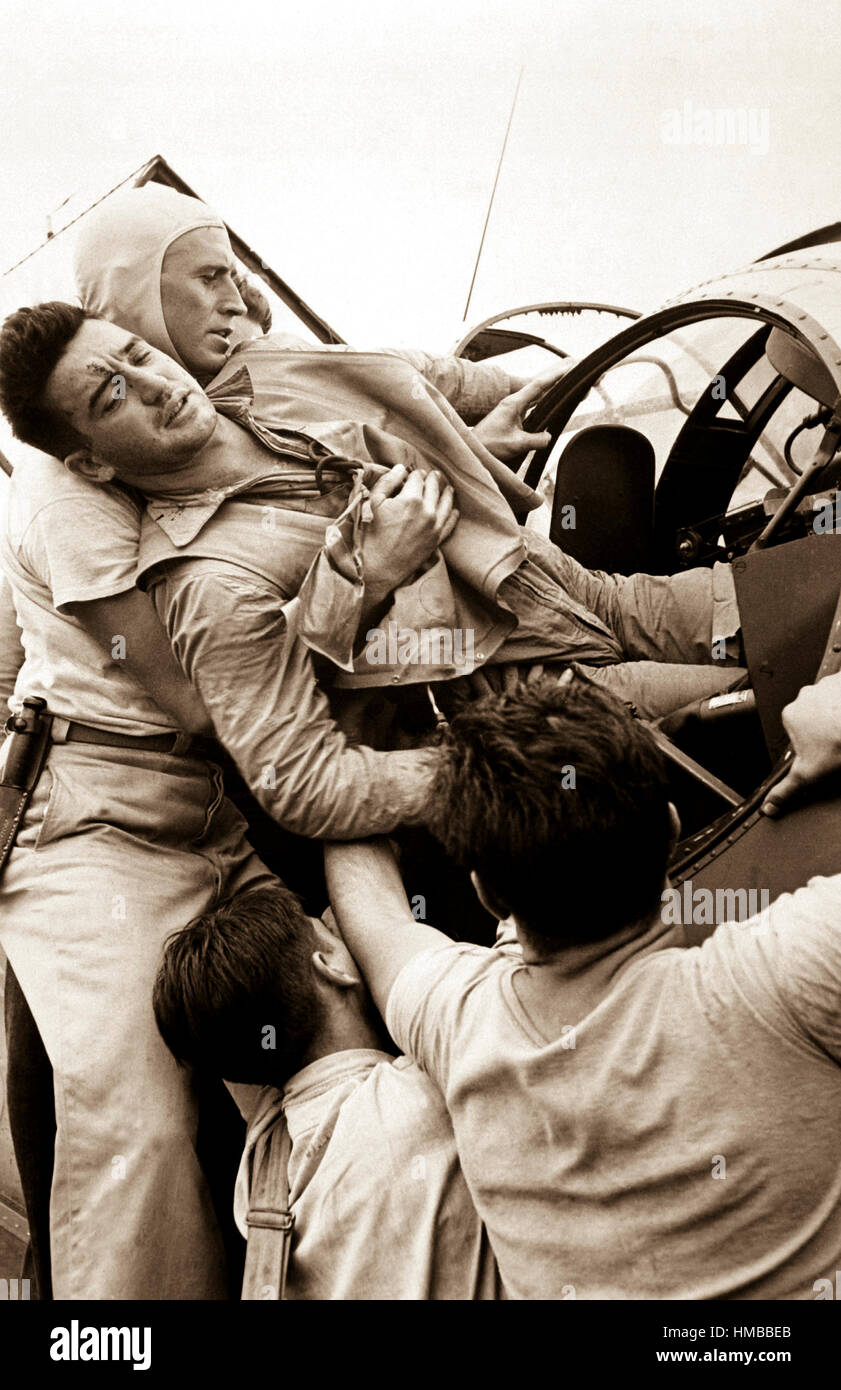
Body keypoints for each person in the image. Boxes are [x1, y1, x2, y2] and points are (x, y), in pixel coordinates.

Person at [0, 305, 746, 839]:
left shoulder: (285, 390)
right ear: (92, 462)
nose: (155, 383)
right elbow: (304, 786)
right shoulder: (207, 583)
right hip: (544, 706)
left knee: (808, 592)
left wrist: (488, 423)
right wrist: (507, 768)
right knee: (779, 688)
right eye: (113, 395)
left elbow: (413, 379)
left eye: (136, 355)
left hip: (593, 597)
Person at [324, 671, 841, 1300]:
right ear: (673, 829)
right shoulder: (792, 968)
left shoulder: (460, 1025)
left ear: (488, 895)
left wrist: (343, 735)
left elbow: (373, 910)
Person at [152, 881, 502, 1300]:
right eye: (333, 932)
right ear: (330, 966)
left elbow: (224, 1022)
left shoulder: (264, 1160)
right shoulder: (423, 1095)